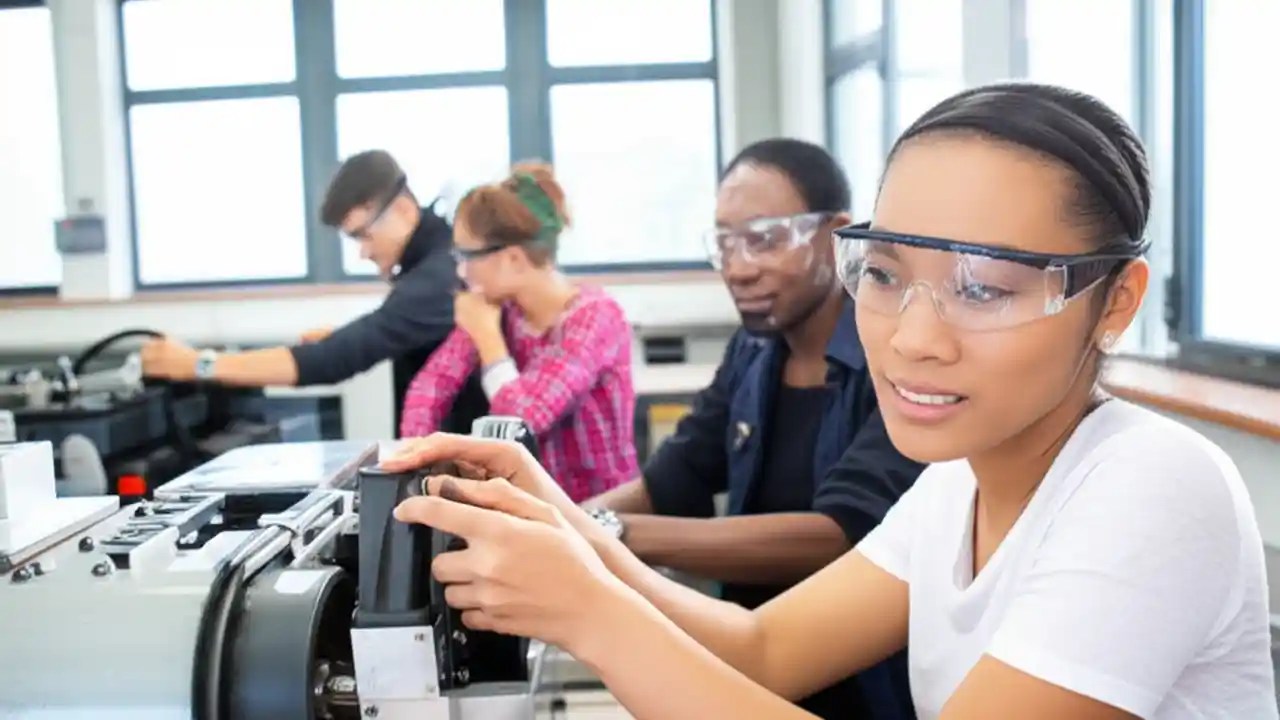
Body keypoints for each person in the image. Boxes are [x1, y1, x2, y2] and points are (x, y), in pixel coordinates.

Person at [384, 82, 1278, 719]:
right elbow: (760, 650)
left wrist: (587, 606)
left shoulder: (1152, 484)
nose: (914, 337)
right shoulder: (959, 486)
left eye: (986, 289)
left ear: (1115, 301)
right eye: (885, 275)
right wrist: (562, 522)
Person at [583, 138, 922, 719]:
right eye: (725, 243)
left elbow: (838, 536)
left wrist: (601, 536)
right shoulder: (755, 350)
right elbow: (676, 477)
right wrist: (554, 518)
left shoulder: (895, 358)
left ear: (837, 235)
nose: (739, 267)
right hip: (751, 669)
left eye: (765, 239)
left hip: (866, 688)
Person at [139, 150, 486, 434]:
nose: (363, 252)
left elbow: (331, 361)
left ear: (403, 210)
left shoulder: (438, 276)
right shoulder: (435, 266)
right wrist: (343, 338)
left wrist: (196, 365)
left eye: (363, 235)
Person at [398, 162, 638, 504]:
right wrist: (416, 463)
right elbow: (429, 387)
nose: (461, 271)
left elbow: (524, 417)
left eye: (467, 255)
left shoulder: (595, 317)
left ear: (512, 258)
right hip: (538, 511)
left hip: (604, 514)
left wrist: (488, 339)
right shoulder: (503, 310)